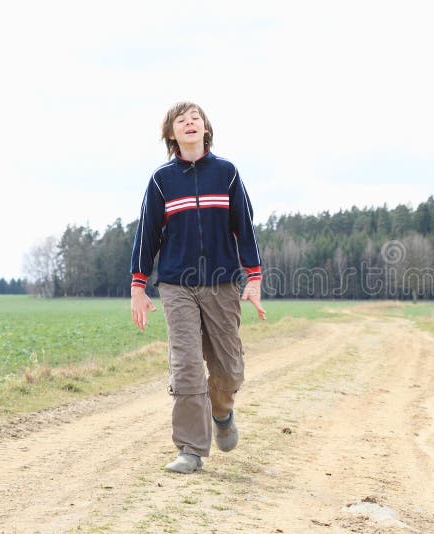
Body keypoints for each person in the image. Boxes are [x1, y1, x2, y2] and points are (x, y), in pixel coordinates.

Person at [129, 101, 266, 474]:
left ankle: (222, 412)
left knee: (229, 370)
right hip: (177, 285)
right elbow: (146, 236)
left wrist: (253, 276)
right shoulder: (161, 181)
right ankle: (190, 448)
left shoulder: (227, 174)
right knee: (186, 365)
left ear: (206, 129)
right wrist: (138, 285)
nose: (189, 123)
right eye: (180, 120)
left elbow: (245, 226)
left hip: (222, 283)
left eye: (195, 118)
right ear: (170, 134)